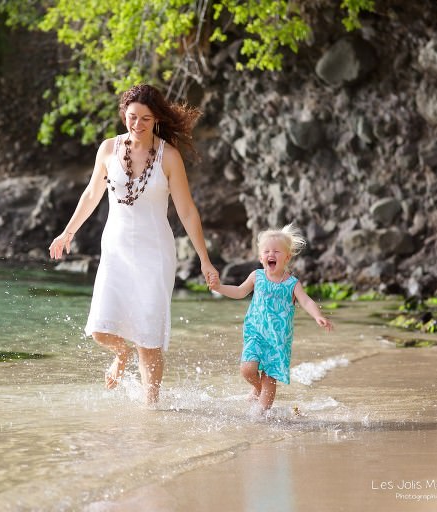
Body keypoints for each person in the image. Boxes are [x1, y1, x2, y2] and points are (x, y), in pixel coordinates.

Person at [48, 84, 218, 405]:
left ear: (156, 120)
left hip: (155, 254)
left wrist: (204, 260)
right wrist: (68, 232)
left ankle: (149, 408)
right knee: (100, 328)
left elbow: (186, 210)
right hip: (116, 249)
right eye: (131, 117)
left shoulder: (168, 156)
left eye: (144, 118)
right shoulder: (109, 149)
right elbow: (90, 195)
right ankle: (120, 353)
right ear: (123, 115)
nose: (136, 124)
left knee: (148, 339)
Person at [207, 224, 333, 413]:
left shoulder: (292, 283)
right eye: (266, 251)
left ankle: (261, 416)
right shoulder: (257, 276)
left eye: (276, 251)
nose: (270, 254)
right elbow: (240, 291)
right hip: (255, 332)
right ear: (260, 257)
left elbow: (306, 301)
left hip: (278, 339)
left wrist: (318, 316)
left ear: (287, 257)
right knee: (247, 369)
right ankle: (256, 388)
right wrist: (219, 288)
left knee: (269, 378)